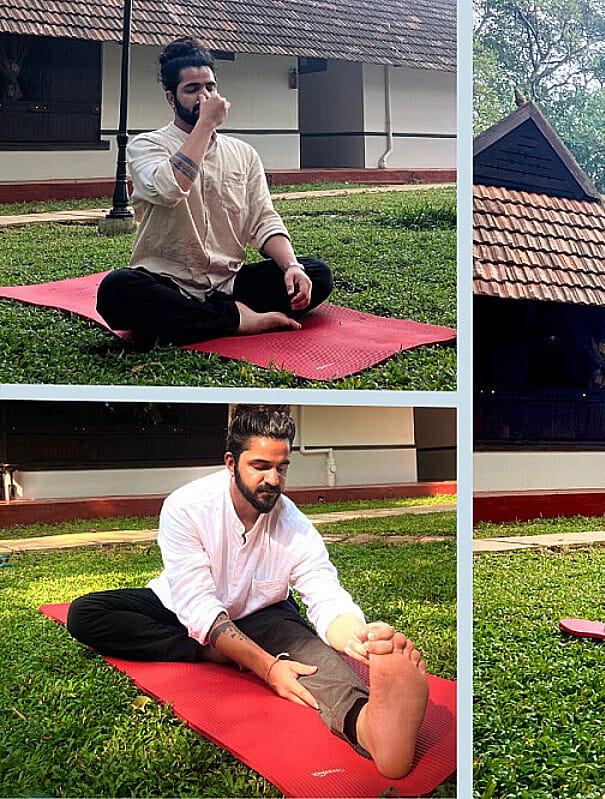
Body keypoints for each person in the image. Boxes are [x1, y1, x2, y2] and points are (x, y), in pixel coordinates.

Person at [66, 405, 427, 778]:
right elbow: (199, 604)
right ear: (230, 462)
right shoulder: (187, 507)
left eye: (282, 467)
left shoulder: (295, 527)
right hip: (181, 608)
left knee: (312, 660)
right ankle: (212, 653)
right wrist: (267, 667)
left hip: (264, 615)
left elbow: (324, 595)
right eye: (260, 466)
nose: (273, 479)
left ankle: (369, 725)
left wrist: (356, 635)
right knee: (86, 614)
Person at [95, 38, 333, 345]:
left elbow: (263, 219)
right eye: (192, 89)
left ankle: (203, 317)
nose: (204, 96)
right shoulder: (147, 146)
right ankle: (238, 320)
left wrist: (292, 266)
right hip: (168, 282)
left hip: (230, 282)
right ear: (171, 98)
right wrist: (205, 124)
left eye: (210, 87)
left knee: (317, 274)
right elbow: (170, 189)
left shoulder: (243, 153)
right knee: (117, 291)